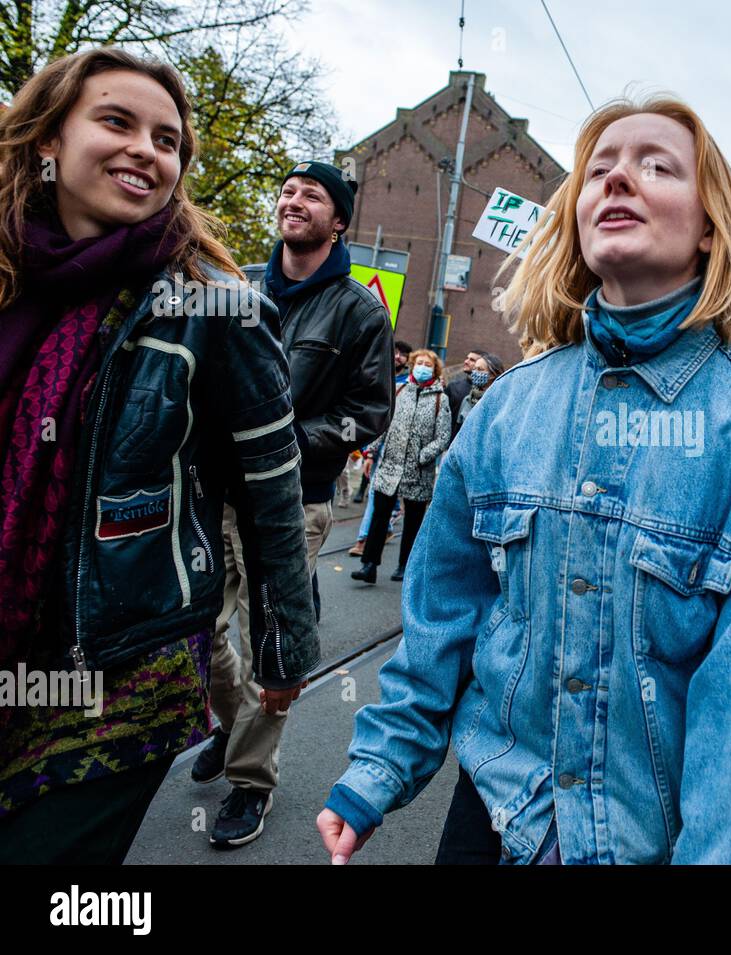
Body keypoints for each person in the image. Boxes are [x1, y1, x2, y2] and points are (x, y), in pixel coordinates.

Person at [318, 94, 731, 865]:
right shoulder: (507, 407)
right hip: (496, 818)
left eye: (656, 166)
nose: (619, 179)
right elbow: (445, 612)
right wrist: (379, 768)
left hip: (650, 839)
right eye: (599, 170)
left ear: (710, 226)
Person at [0, 48, 317, 863]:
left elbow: (271, 496)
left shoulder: (216, 304)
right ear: (47, 141)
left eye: (168, 139)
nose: (147, 148)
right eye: (116, 121)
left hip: (120, 669)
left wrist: (284, 650)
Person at [194, 159, 394, 849]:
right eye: (286, 190)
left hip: (293, 501)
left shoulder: (360, 309)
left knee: (268, 640)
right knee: (200, 631)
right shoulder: (234, 284)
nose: (294, 200)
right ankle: (232, 724)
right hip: (210, 493)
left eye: (312, 194)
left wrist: (276, 443)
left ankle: (251, 779)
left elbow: (367, 413)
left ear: (338, 220)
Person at [352, 349, 452, 583]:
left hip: (418, 471)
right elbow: (382, 424)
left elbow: (443, 437)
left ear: (434, 369)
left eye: (427, 364)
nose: (422, 366)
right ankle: (369, 565)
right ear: (412, 365)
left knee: (413, 520)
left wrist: (422, 456)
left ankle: (404, 565)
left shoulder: (440, 398)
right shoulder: (399, 390)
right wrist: (369, 453)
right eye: (419, 362)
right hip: (390, 465)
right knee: (380, 515)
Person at [454, 352, 505, 433]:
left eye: (480, 369)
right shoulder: (467, 400)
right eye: (474, 369)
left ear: (492, 375)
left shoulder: (500, 403)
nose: (475, 372)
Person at [446, 347, 483, 438]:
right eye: (467, 358)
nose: (466, 361)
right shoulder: (453, 387)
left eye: (472, 360)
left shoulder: (488, 391)